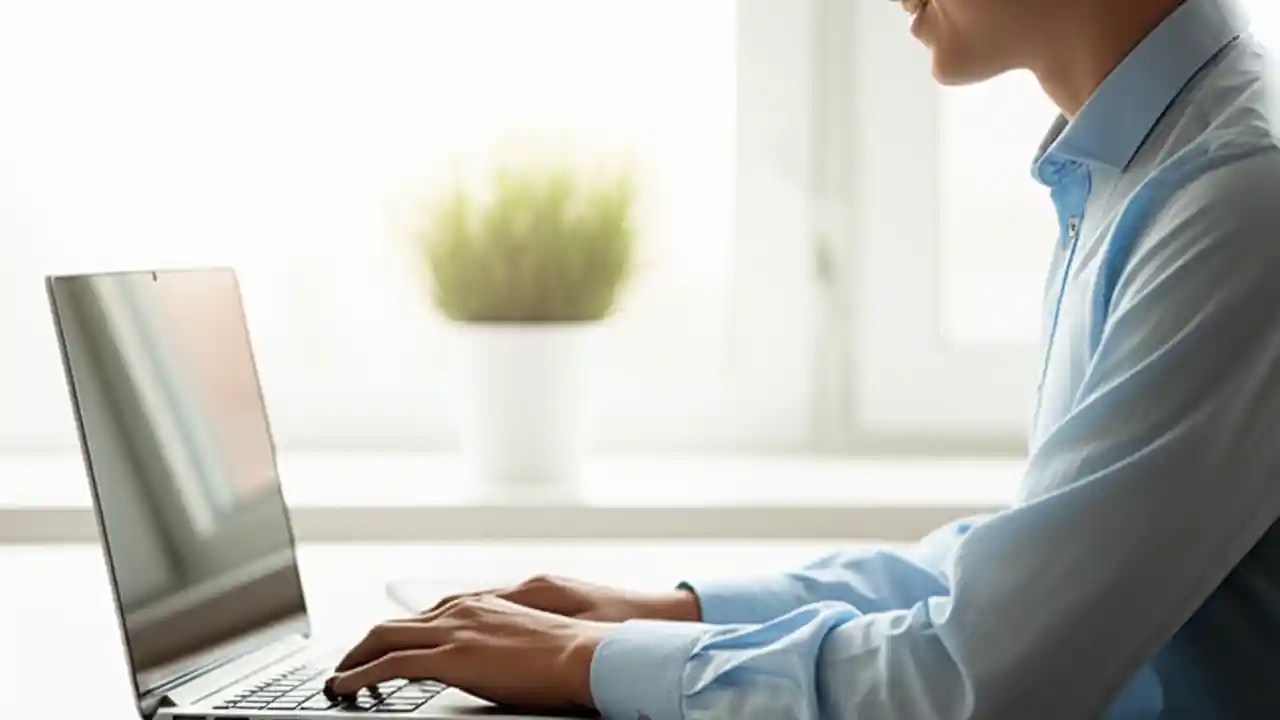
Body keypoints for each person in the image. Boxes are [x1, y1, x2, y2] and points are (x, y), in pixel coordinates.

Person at [328, 0, 1280, 716]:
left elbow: (980, 674)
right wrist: (667, 610)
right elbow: (1028, 577)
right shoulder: (1149, 172)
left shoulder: (1235, 205)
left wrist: (584, 660)